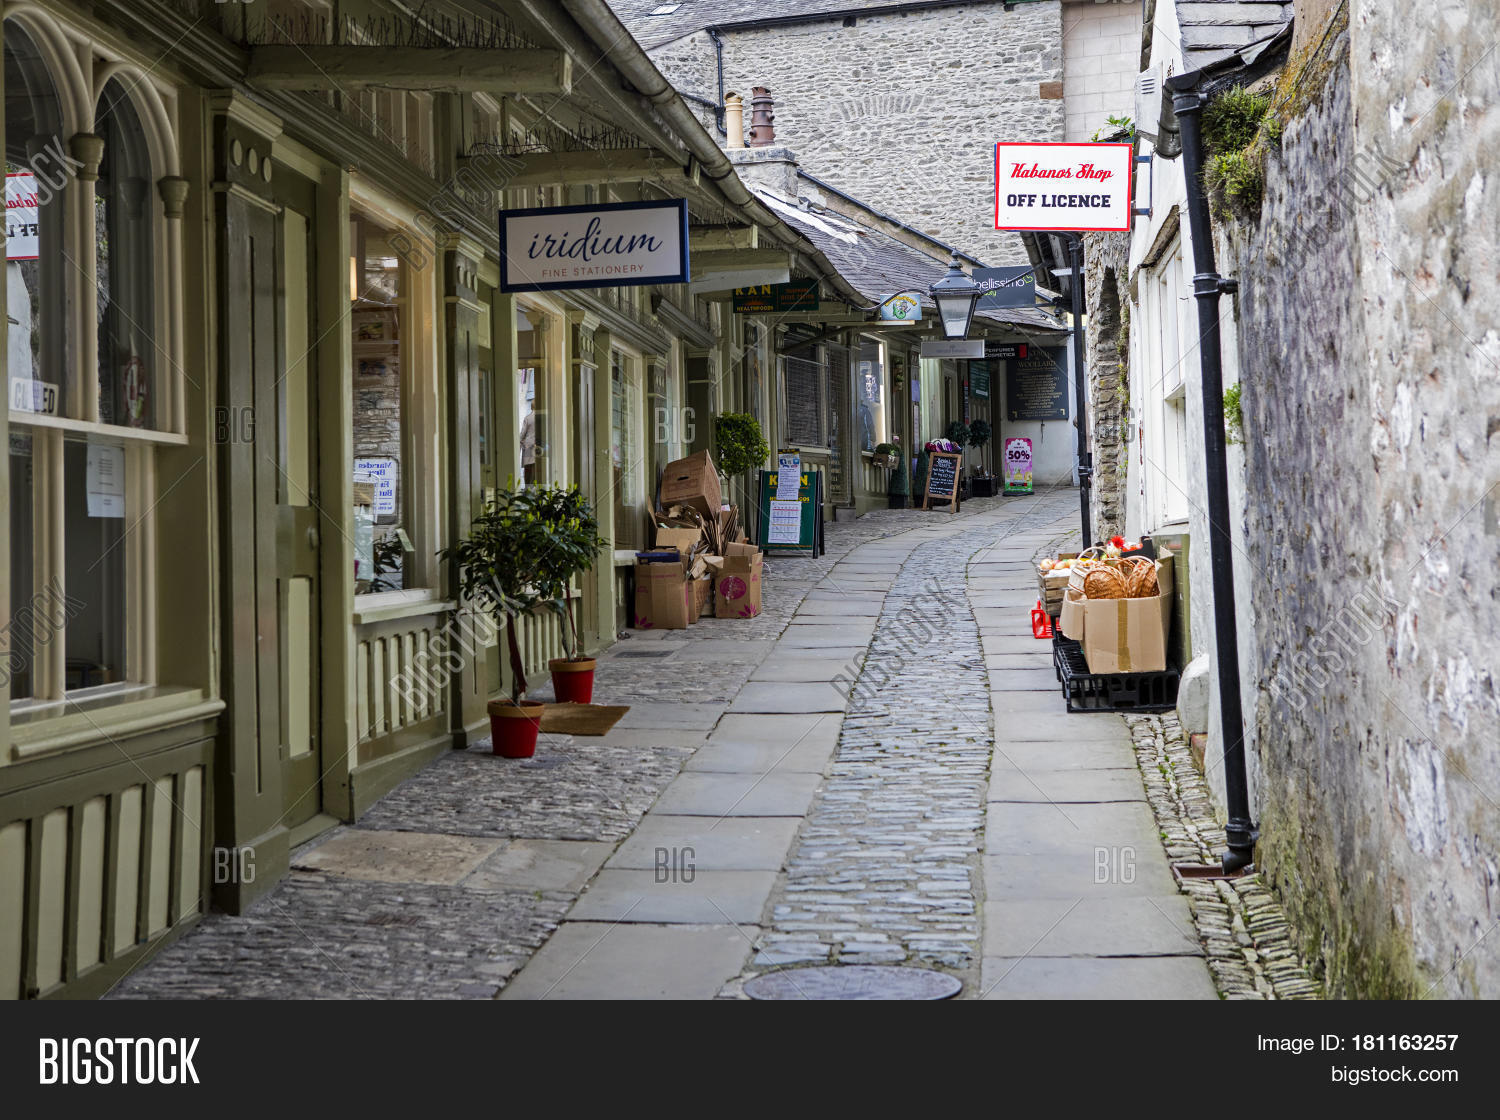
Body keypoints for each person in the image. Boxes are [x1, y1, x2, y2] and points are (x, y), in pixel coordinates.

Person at [520, 408, 536, 484]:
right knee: (536, 468)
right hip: (538, 446)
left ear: (531, 407)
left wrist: (520, 446)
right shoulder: (542, 417)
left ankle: (528, 489)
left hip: (528, 446)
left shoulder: (528, 418)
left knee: (528, 469)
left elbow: (522, 433)